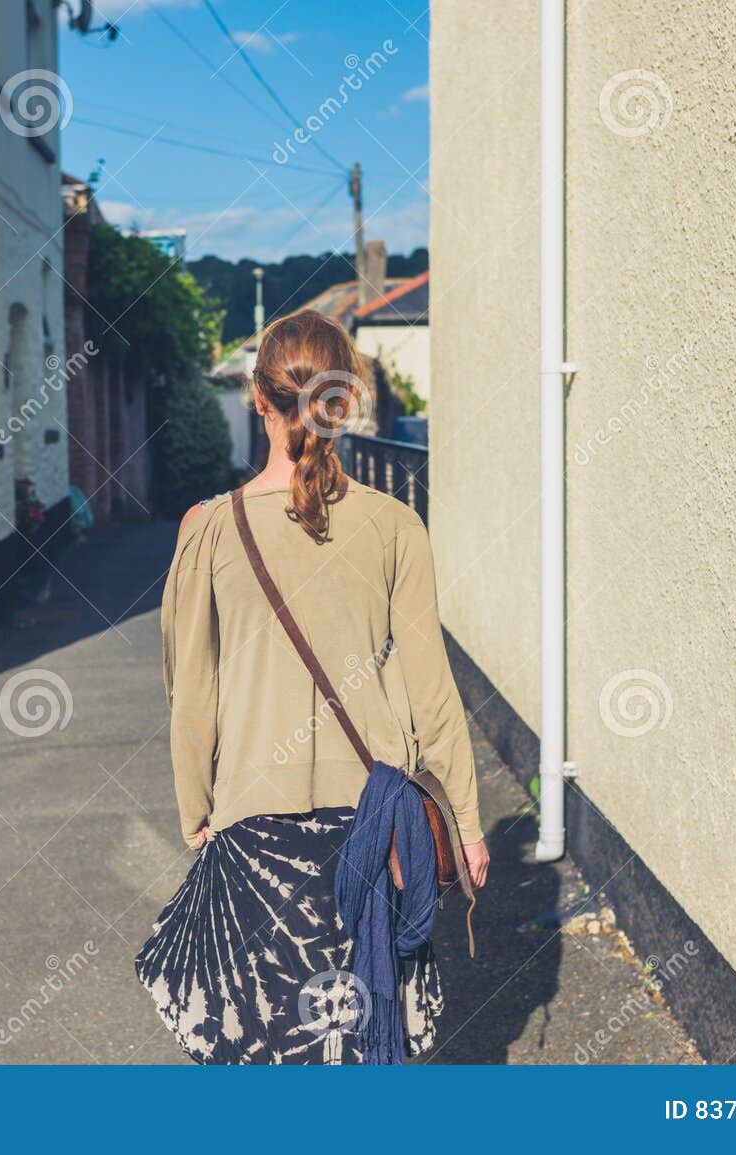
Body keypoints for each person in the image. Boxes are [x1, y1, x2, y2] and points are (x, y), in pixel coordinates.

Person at [135, 310, 489, 1064]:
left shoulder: (208, 529)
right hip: (377, 825)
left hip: (252, 827)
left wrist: (196, 806)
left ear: (256, 399)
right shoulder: (396, 525)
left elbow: (191, 692)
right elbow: (431, 685)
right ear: (344, 401)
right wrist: (465, 817)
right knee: (364, 1040)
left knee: (267, 1048)